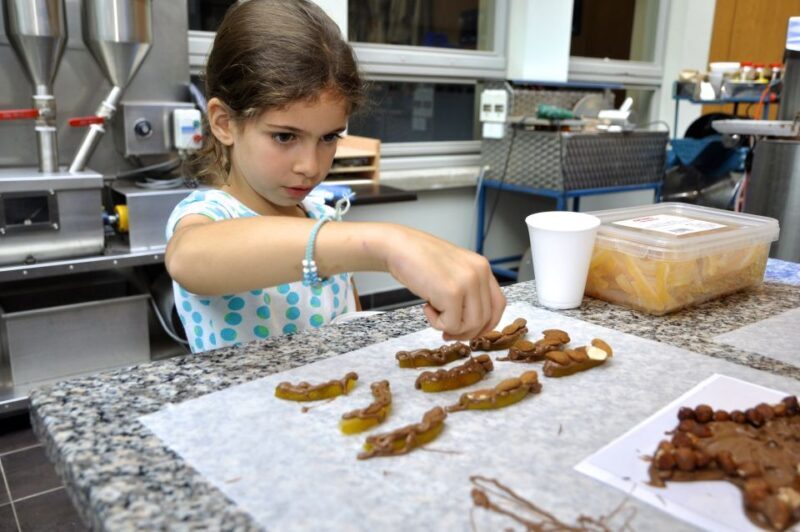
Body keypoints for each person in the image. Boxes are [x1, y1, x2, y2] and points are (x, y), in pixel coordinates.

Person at [165, 0, 505, 353]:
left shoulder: (320, 215)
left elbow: (351, 327)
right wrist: (385, 244)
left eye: (328, 137)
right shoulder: (210, 215)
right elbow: (188, 258)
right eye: (284, 136)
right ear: (224, 123)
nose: (310, 166)